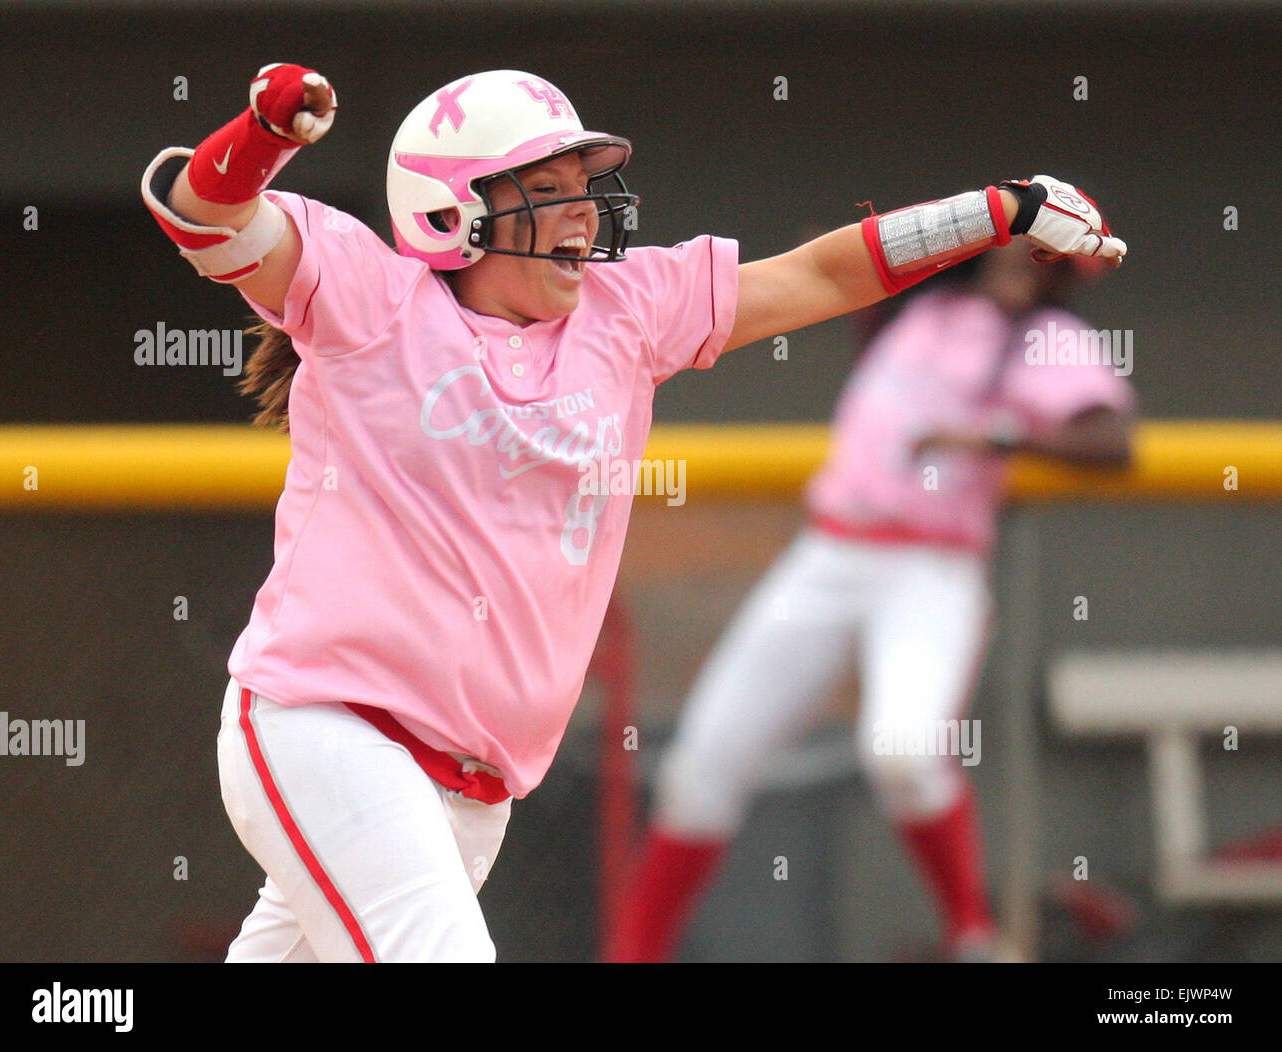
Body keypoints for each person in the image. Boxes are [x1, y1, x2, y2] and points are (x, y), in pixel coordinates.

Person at [140, 62, 1126, 962]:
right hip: (330, 726)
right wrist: (264, 132)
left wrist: (994, 210)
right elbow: (206, 214)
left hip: (474, 785)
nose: (581, 212)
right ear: (453, 208)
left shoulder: (623, 309)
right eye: (547, 188)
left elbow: (821, 273)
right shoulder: (370, 295)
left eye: (582, 186)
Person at [605, 240, 1136, 963]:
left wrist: (997, 433)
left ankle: (972, 935)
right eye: (1018, 250)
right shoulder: (925, 309)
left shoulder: (1048, 339)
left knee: (903, 755)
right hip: (829, 553)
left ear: (1065, 276)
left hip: (929, 565)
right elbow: (884, 256)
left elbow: (1112, 442)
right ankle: (632, 956)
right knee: (700, 770)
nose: (1025, 266)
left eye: (1046, 258)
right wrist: (980, 227)